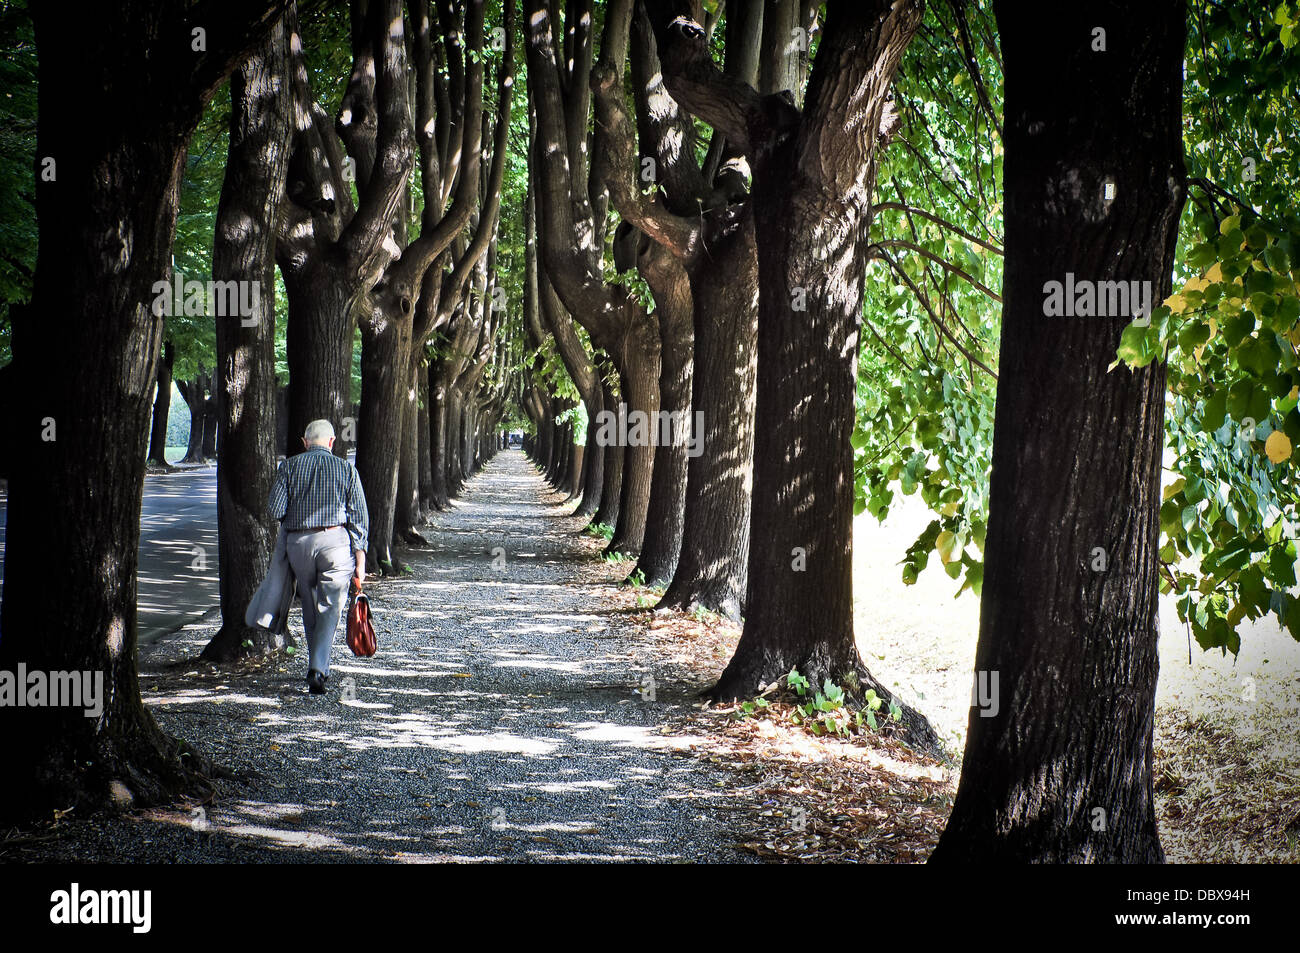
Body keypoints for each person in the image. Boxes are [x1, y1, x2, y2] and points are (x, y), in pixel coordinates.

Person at [267, 419, 368, 694]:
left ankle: (317, 666)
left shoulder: (289, 466)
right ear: (332, 442)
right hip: (335, 543)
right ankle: (317, 669)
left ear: (304, 442)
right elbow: (359, 517)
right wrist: (360, 559)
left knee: (311, 606)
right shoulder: (346, 469)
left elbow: (275, 509)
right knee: (331, 607)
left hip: (299, 544)